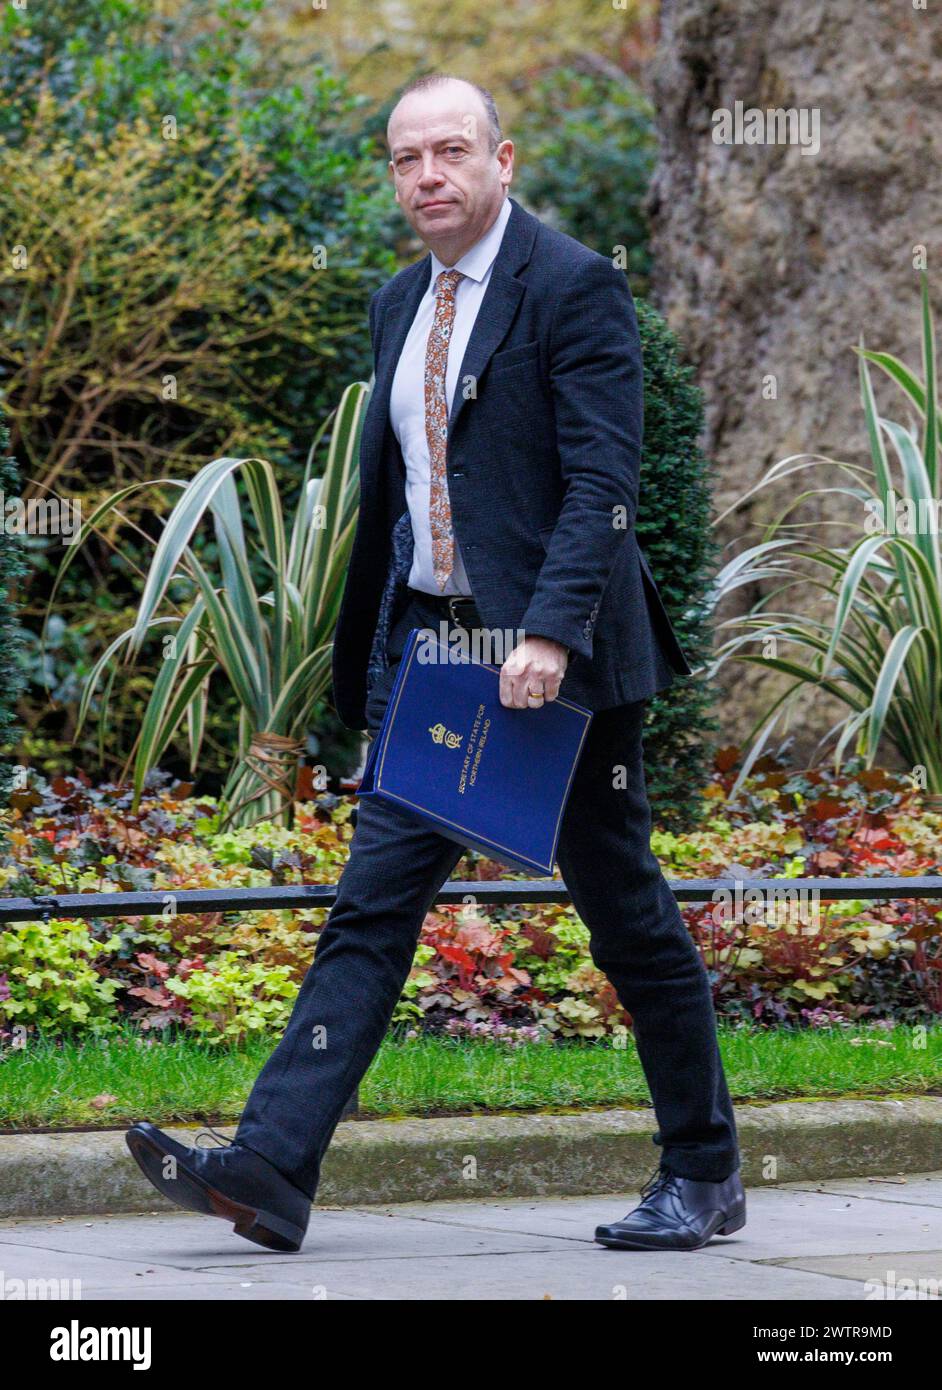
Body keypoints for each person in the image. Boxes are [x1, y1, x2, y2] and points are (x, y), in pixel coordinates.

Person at [126, 73, 745, 1255]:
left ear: (502, 160)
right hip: (439, 651)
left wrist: (550, 634)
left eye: (450, 153)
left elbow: (605, 483)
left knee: (624, 911)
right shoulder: (396, 300)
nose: (428, 178)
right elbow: (407, 502)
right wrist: (384, 665)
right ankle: (270, 1169)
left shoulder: (573, 286)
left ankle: (705, 1172)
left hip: (558, 666)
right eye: (407, 160)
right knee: (371, 907)